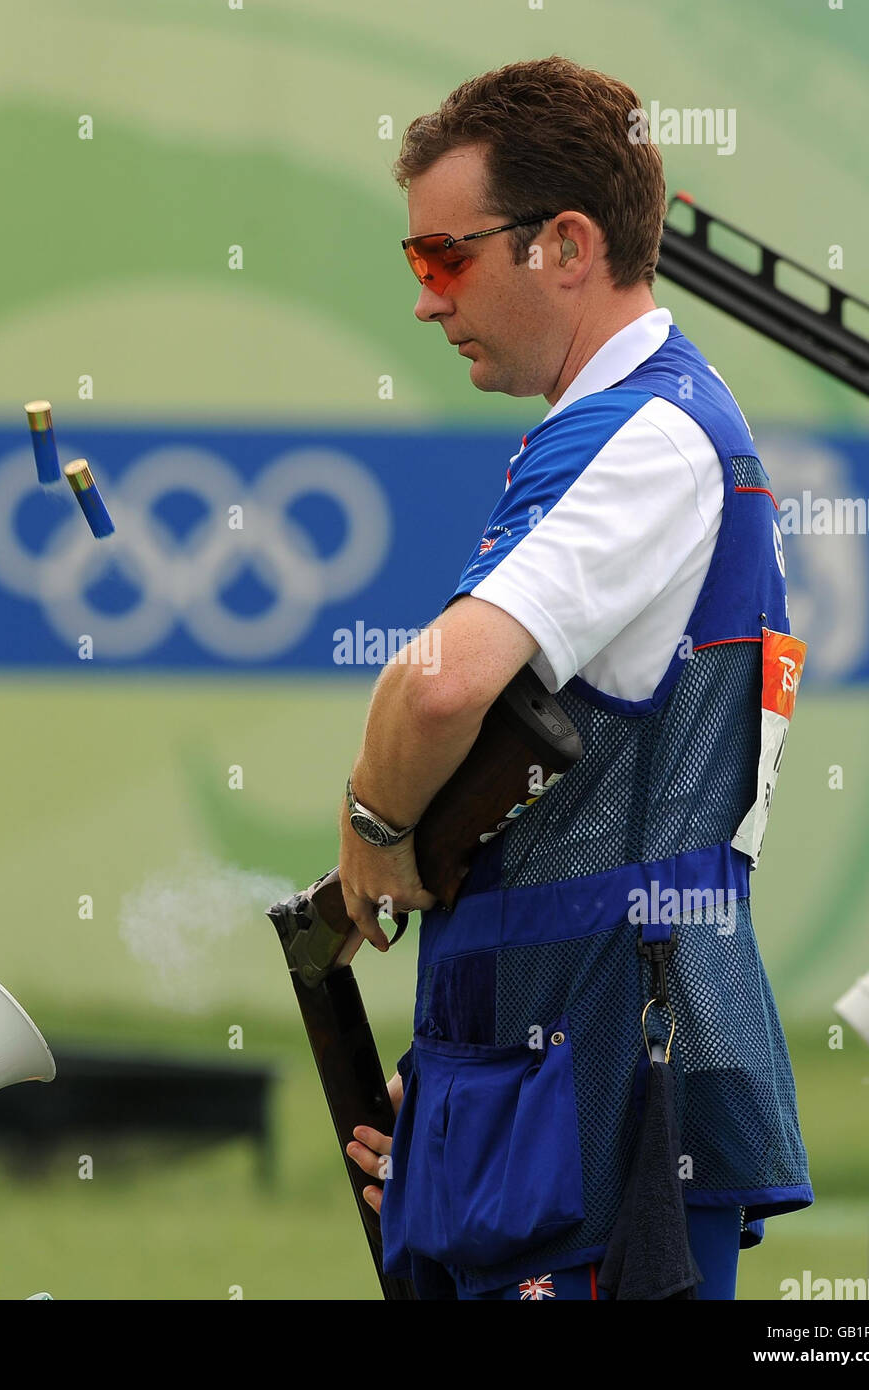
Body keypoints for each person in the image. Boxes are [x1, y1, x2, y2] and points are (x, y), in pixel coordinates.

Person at [337, 55, 812, 1301]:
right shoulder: (608, 428)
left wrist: (372, 826)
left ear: (564, 244)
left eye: (443, 258)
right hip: (557, 1059)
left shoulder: (649, 436)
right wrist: (461, 1077)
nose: (428, 300)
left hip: (609, 1066)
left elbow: (438, 689)